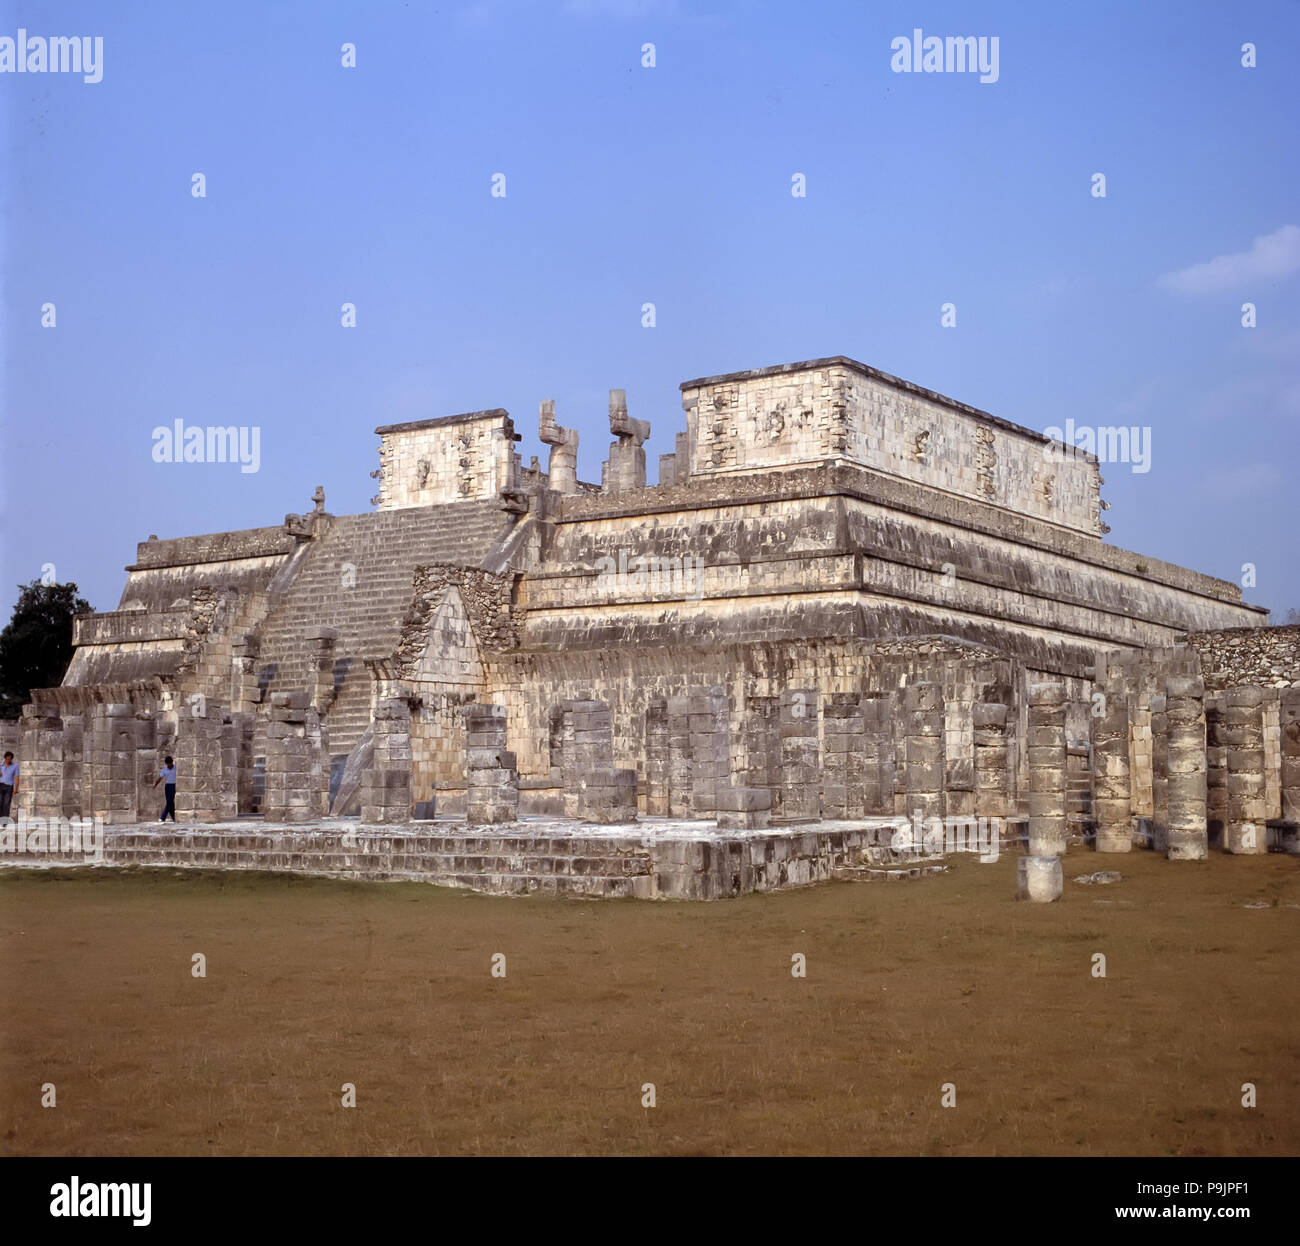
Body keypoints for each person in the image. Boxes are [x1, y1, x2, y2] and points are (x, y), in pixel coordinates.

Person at [153, 755, 177, 822]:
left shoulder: (176, 768)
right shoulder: (164, 769)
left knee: (169, 802)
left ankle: (163, 817)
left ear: (172, 762)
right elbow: (160, 778)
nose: (169, 765)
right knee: (170, 803)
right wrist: (155, 784)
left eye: (170, 764)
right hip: (167, 786)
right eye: (168, 764)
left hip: (173, 786)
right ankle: (174, 817)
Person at [0, 751, 18, 820]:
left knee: (6, 804)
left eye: (10, 759)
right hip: (0, 785)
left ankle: (4, 821)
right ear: (5, 758)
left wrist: (15, 789)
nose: (8, 760)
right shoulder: (0, 765)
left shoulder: (15, 766)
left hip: (9, 787)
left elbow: (16, 777)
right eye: (7, 759)